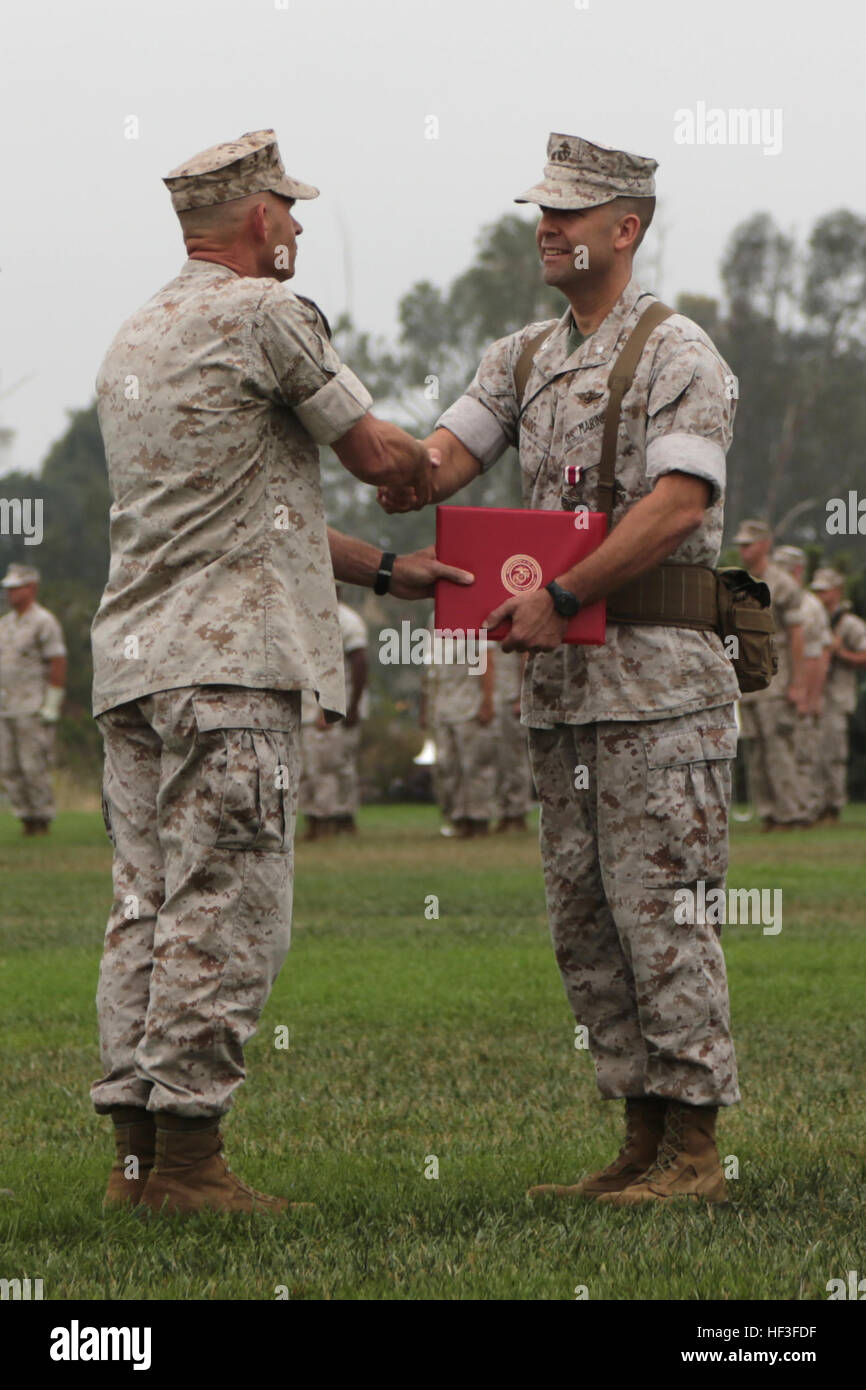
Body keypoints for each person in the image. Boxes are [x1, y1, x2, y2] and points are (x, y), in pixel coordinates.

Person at [90, 129, 470, 1216]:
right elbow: (376, 456)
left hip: (135, 666)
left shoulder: (135, 333)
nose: (298, 227)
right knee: (227, 903)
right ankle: (191, 1165)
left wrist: (387, 570)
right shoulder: (267, 314)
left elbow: (253, 511)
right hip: (229, 668)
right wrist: (445, 457)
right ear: (258, 219)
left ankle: (133, 1162)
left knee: (146, 906)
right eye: (289, 211)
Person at [381, 133, 742, 1204]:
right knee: (584, 922)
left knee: (662, 913)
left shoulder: (678, 353)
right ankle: (638, 1132)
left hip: (657, 691)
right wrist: (337, 421)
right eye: (540, 209)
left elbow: (678, 505)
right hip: (562, 696)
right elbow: (435, 463)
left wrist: (568, 592)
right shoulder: (522, 358)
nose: (545, 226)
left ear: (623, 229)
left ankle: (692, 1147)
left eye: (569, 213)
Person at [735, 521, 809, 829]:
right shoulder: (740, 582)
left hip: (777, 681)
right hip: (750, 683)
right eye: (741, 544)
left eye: (749, 544)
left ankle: (789, 812)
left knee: (779, 749)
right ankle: (768, 812)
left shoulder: (782, 583)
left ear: (766, 545)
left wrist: (799, 684)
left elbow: (797, 634)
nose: (744, 550)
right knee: (756, 751)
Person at [0, 563, 67, 836]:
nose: (10, 594)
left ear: (31, 588)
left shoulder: (44, 621)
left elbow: (57, 661)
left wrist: (52, 703)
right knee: (9, 766)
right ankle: (25, 816)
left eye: (16, 588)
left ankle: (42, 819)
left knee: (33, 765)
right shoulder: (5, 624)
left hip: (33, 706)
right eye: (9, 589)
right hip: (7, 706)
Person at [772, 546, 832, 827]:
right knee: (783, 752)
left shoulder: (809, 606)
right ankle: (787, 810)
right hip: (779, 687)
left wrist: (810, 694)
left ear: (797, 571)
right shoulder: (776, 601)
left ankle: (807, 810)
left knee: (803, 752)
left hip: (801, 688)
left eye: (784, 568)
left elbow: (817, 655)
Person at [300, 595, 368, 838]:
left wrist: (350, 706)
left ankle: (334, 820)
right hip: (304, 709)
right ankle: (314, 820)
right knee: (307, 770)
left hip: (333, 710)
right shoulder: (301, 614)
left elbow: (359, 663)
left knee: (333, 768)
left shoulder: (346, 619)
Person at [421, 628, 497, 838]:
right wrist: (425, 708)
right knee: (447, 766)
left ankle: (479, 818)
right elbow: (429, 672)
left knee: (474, 766)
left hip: (469, 705)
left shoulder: (473, 620)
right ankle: (457, 818)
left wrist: (487, 703)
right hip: (442, 709)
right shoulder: (433, 622)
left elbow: (486, 661)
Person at [811, 567, 866, 825]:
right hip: (814, 695)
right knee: (812, 753)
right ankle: (814, 806)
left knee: (833, 754)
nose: (820, 594)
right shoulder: (813, 620)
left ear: (837, 591)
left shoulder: (850, 624)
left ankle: (832, 807)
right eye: (817, 589)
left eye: (825, 589)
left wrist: (839, 652)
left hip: (837, 696)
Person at [492, 647, 532, 832]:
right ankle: (503, 812)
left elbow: (525, 655)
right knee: (498, 761)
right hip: (494, 701)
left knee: (514, 760)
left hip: (510, 698)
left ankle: (517, 813)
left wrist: (521, 697)